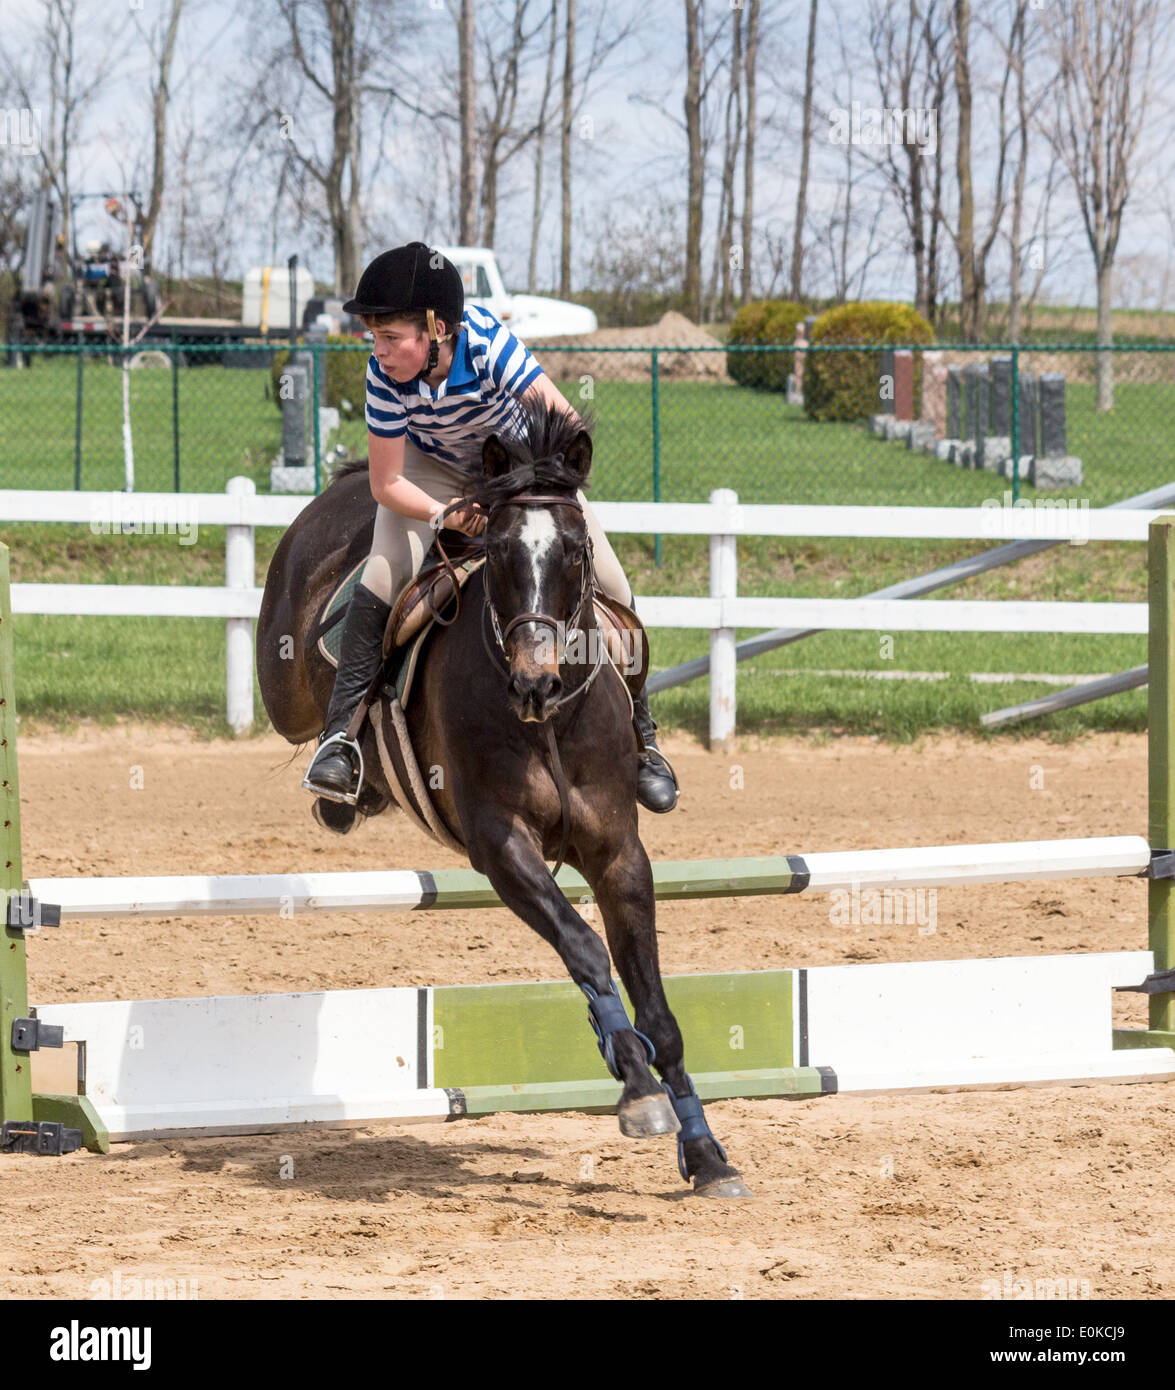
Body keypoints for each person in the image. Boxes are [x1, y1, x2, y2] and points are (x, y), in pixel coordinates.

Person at [302, 242, 679, 815]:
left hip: (516, 467)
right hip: (428, 470)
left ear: (437, 328)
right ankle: (340, 742)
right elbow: (385, 484)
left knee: (615, 585)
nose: (378, 352)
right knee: (382, 573)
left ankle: (645, 739)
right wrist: (441, 514)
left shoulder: (487, 344)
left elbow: (566, 423)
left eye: (389, 337)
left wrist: (522, 491)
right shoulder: (383, 376)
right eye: (374, 337)